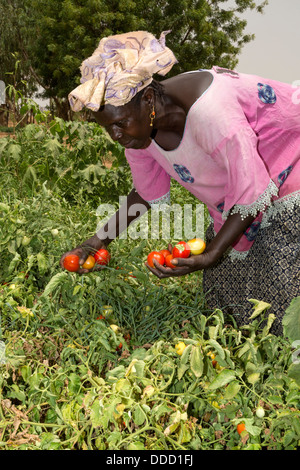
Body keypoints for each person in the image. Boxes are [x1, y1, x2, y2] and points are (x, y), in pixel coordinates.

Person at [61, 30, 300, 335]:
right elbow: (144, 195)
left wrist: (213, 251)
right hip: (240, 190)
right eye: (108, 128)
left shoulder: (211, 112)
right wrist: (95, 243)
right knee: (225, 299)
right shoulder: (138, 134)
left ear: (148, 99)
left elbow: (252, 187)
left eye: (120, 123)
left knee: (285, 285)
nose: (116, 136)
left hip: (290, 166)